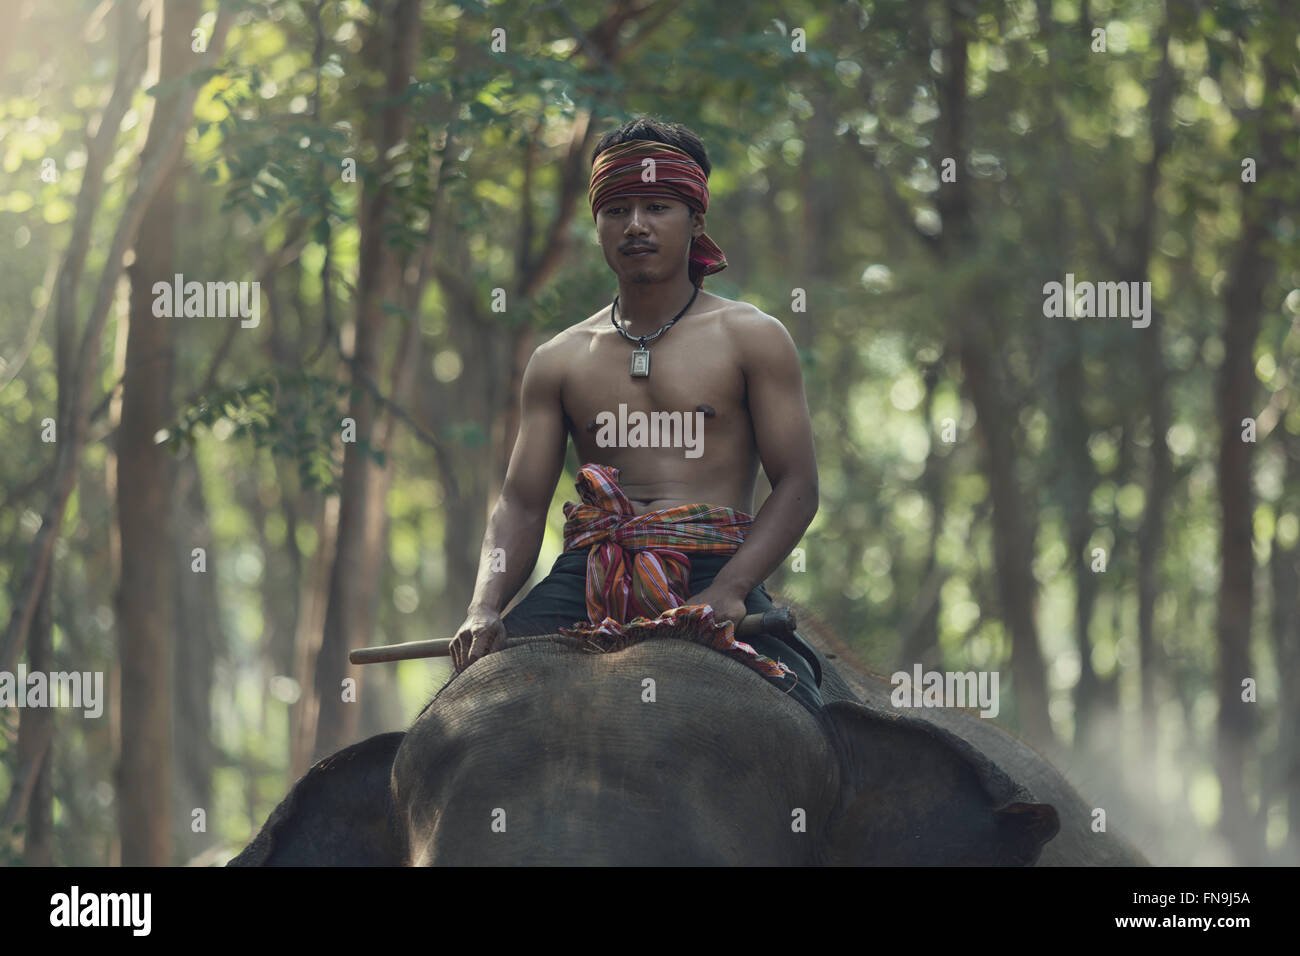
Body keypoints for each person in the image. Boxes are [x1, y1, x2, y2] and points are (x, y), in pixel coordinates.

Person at [446, 116, 823, 712]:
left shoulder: (752, 336)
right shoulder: (560, 358)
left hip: (713, 568)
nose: (636, 225)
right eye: (617, 209)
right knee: (461, 716)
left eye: (657, 206)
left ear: (696, 220)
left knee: (806, 716)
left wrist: (731, 589)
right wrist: (484, 607)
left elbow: (798, 485)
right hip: (586, 579)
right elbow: (520, 503)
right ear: (596, 224)